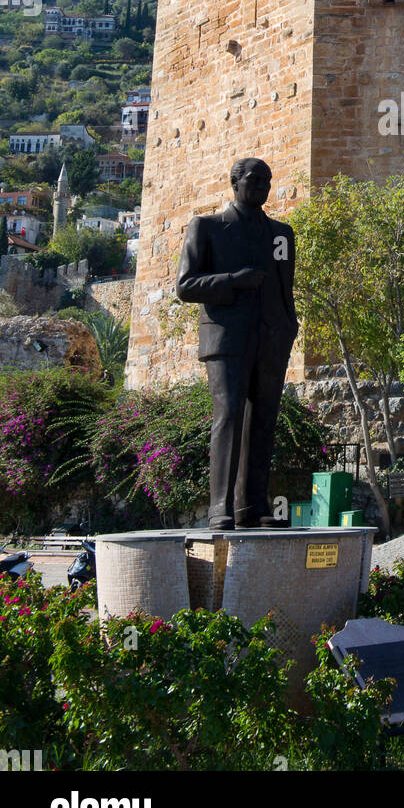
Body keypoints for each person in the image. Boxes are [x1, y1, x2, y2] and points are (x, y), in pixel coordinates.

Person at [176, 157, 299, 530]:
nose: (262, 185)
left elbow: (284, 284)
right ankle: (220, 507)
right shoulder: (208, 227)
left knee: (263, 419)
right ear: (235, 182)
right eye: (253, 179)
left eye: (267, 179)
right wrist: (233, 280)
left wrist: (289, 325)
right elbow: (185, 285)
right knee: (229, 414)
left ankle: (254, 506)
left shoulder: (281, 234)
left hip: (272, 337)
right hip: (226, 335)